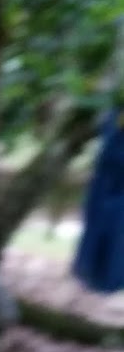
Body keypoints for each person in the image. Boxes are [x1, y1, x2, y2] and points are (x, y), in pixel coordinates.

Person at [72, 108, 124, 294]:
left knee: (115, 230)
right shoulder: (113, 112)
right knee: (101, 225)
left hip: (112, 185)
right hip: (106, 182)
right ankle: (96, 273)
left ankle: (104, 276)